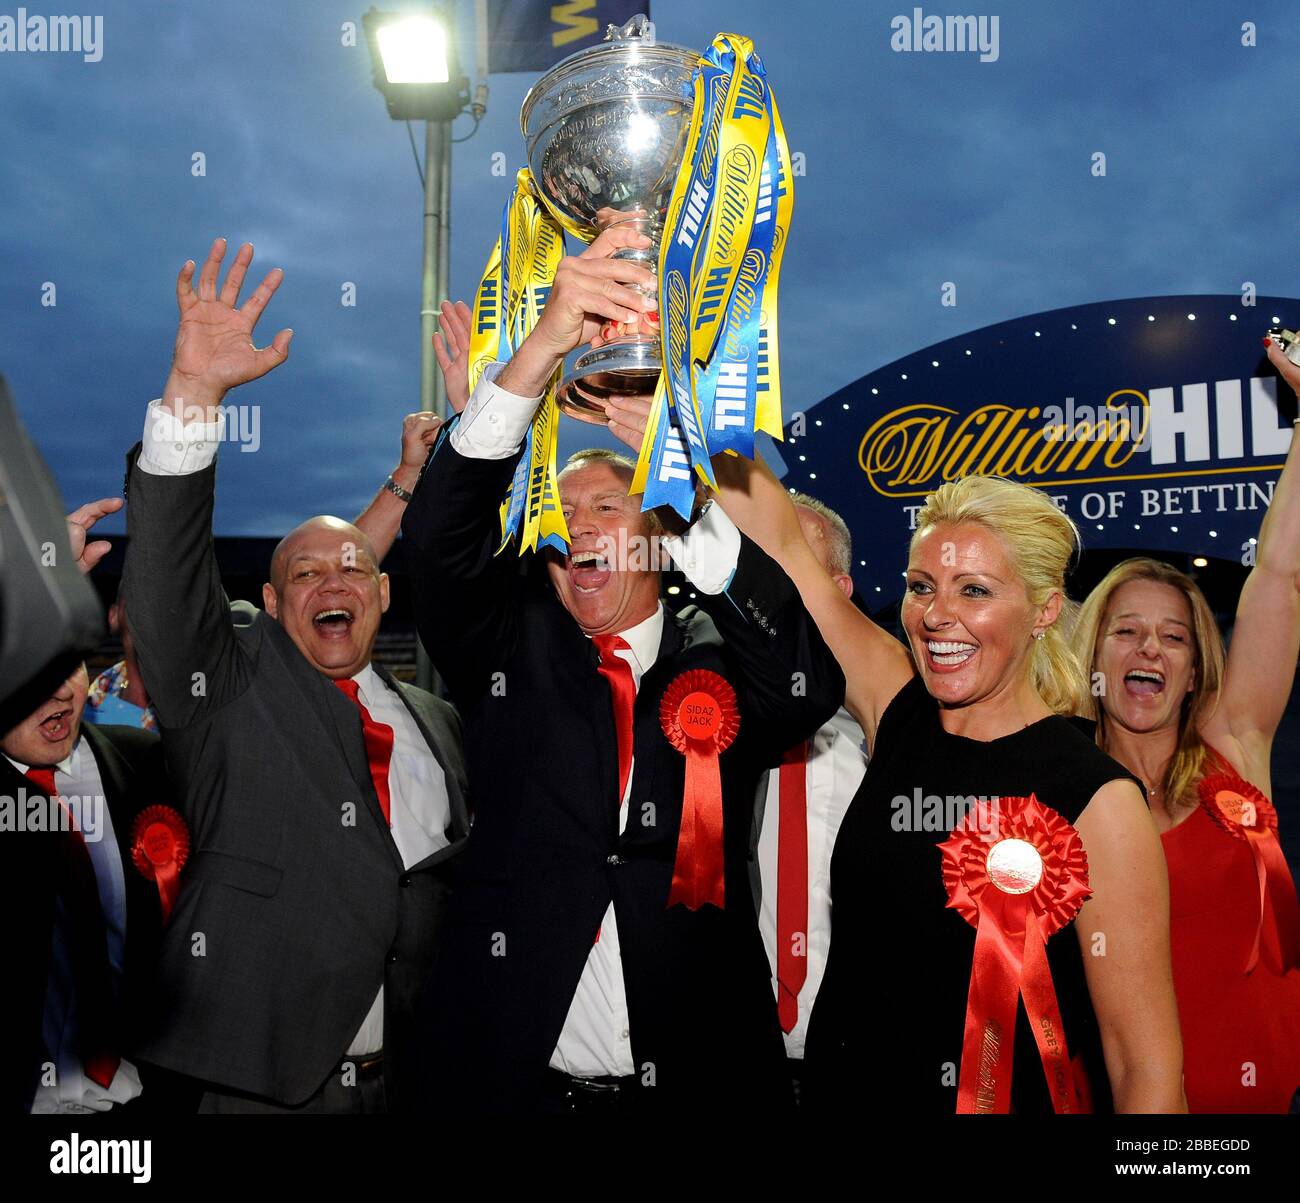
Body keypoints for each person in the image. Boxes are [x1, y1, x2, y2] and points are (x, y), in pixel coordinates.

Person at [604, 386, 1185, 1112]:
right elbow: (786, 544)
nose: (937, 614)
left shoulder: (1100, 799)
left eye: (973, 589)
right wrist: (678, 429)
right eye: (920, 585)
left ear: (1042, 609)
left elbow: (1144, 1068)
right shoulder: (896, 706)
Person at [402, 230, 846, 1114]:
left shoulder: (717, 670)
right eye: (562, 514)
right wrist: (544, 348)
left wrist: (694, 495)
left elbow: (811, 688)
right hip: (513, 1089)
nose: (581, 526)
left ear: (654, 533)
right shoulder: (505, 647)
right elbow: (439, 542)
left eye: (609, 505)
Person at [120, 237, 471, 1113]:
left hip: (420, 1079)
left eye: (353, 572)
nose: (331, 585)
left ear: (386, 594)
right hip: (261, 1086)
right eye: (303, 578)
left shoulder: (438, 718)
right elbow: (167, 586)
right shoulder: (236, 688)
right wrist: (194, 397)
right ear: (271, 612)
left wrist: (410, 480)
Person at [1070, 335, 1300, 1113]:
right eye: (1126, 630)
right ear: (1092, 651)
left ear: (1196, 665)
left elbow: (1280, 574)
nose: (1149, 648)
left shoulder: (1236, 746)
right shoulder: (1060, 793)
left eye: (1172, 635)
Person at [84, 410, 449, 732]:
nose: (162, 602)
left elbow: (329, 572)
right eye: (148, 590)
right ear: (114, 616)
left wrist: (409, 472)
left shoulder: (235, 678)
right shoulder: (70, 716)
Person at [3, 501, 169, 1114]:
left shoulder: (145, 763)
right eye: (25, 669)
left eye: (65, 662)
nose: (56, 688)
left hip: (137, 1100)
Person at [747, 493, 867, 1098]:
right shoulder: (698, 722)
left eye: (792, 569)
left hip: (863, 1067)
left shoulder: (894, 739)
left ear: (839, 588)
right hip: (731, 1064)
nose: (770, 591)